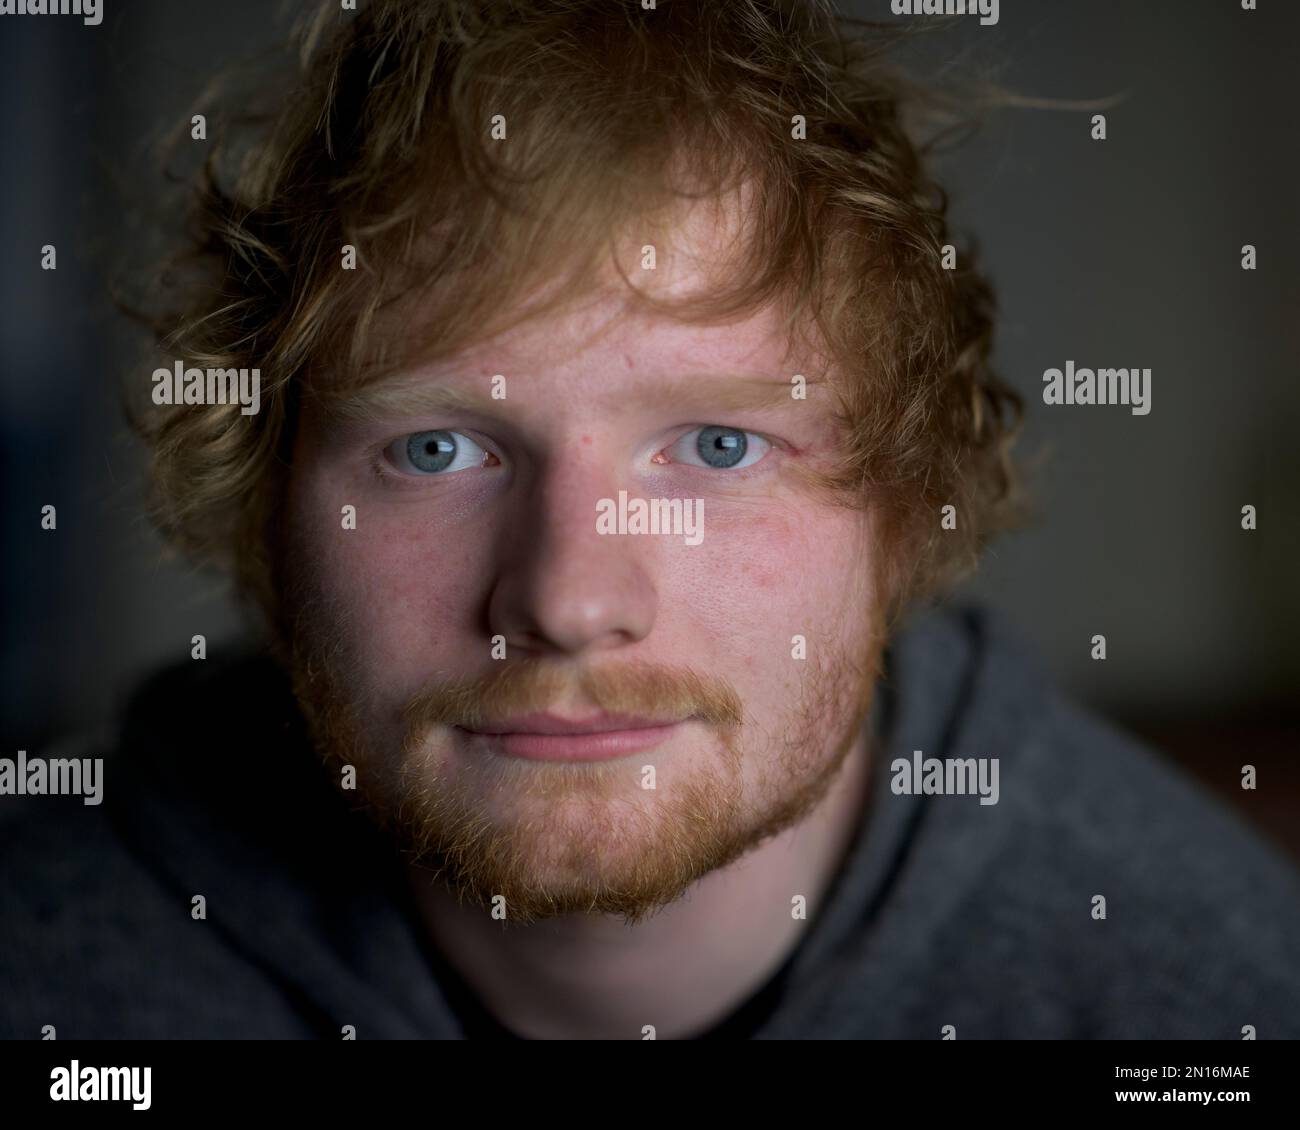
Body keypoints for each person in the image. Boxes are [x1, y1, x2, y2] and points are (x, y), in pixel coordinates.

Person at [2, 0, 1297, 1040]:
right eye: (436, 446)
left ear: (909, 514)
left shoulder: (1206, 990)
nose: (566, 598)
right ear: (263, 519)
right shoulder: (46, 964)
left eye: (719, 444)